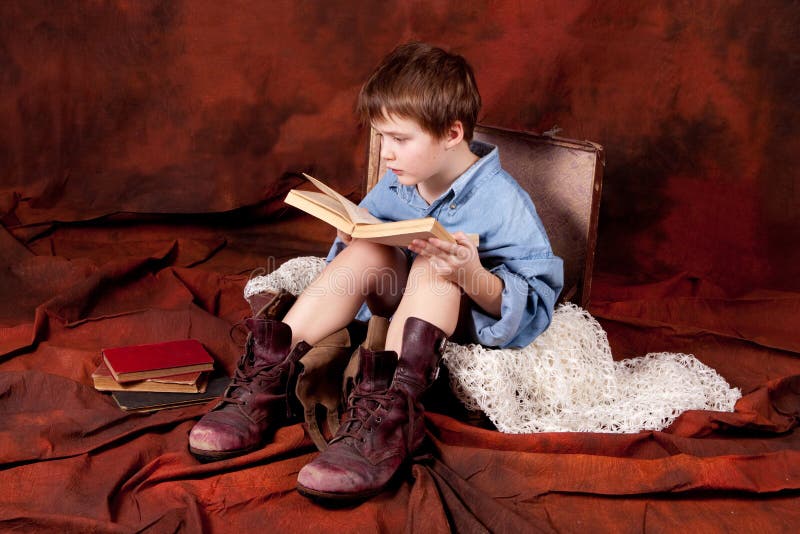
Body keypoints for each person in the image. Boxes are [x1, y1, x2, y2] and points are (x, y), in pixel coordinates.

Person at [188, 42, 563, 501]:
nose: (386, 153)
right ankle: (268, 377)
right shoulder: (397, 183)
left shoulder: (504, 202)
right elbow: (358, 268)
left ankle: (387, 414)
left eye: (400, 139)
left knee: (435, 264)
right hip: (396, 301)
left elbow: (533, 305)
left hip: (462, 317)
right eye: (381, 137)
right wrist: (355, 238)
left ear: (451, 133)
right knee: (367, 246)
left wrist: (470, 272)